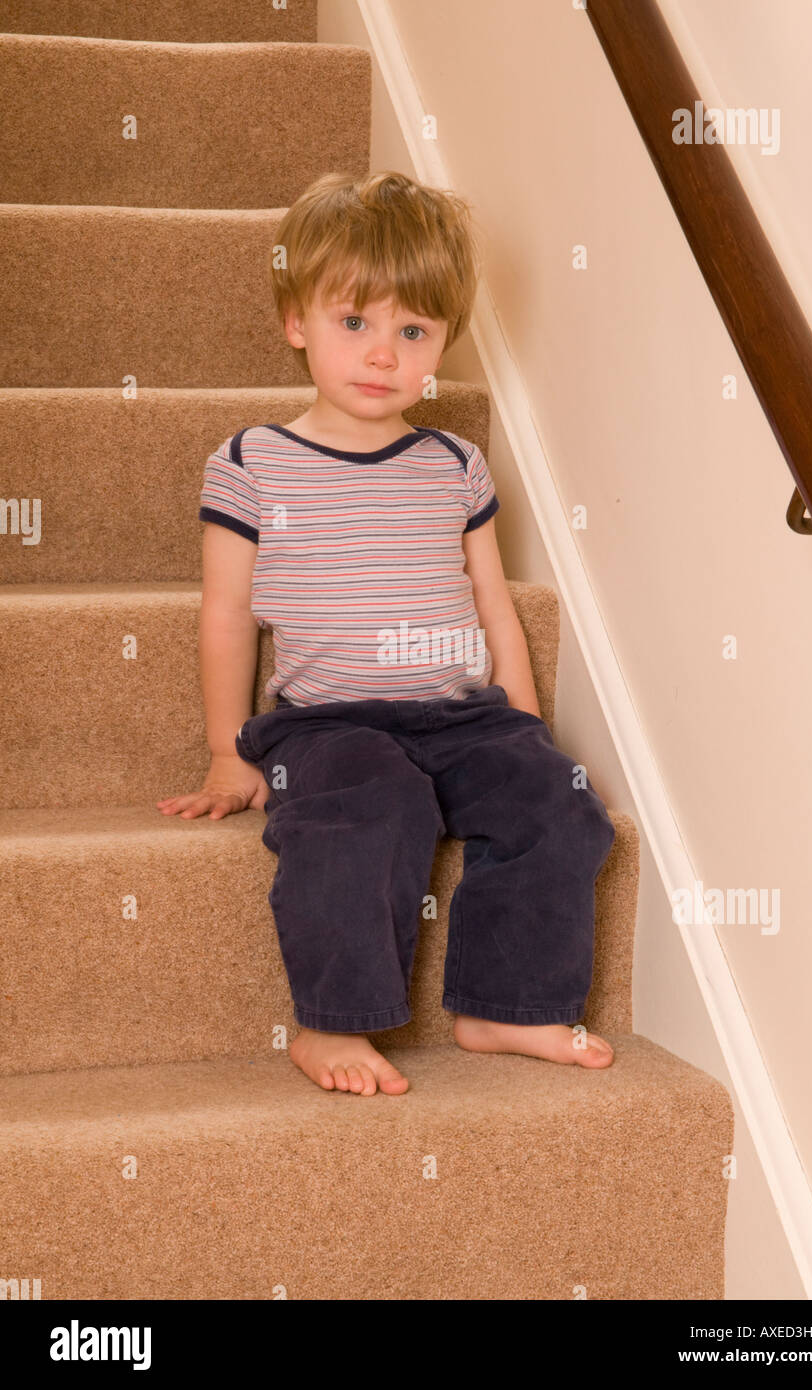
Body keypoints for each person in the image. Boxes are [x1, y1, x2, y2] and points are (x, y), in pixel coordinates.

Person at [157, 170, 616, 1097]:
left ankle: (504, 1004)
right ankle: (329, 1023)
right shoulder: (251, 461)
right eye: (354, 323)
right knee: (370, 806)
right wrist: (225, 750)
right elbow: (227, 613)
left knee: (562, 803)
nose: (382, 355)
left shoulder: (453, 462)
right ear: (296, 322)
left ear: (441, 343)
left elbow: (491, 600)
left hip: (460, 714)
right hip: (328, 723)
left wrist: (521, 723)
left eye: (412, 332)